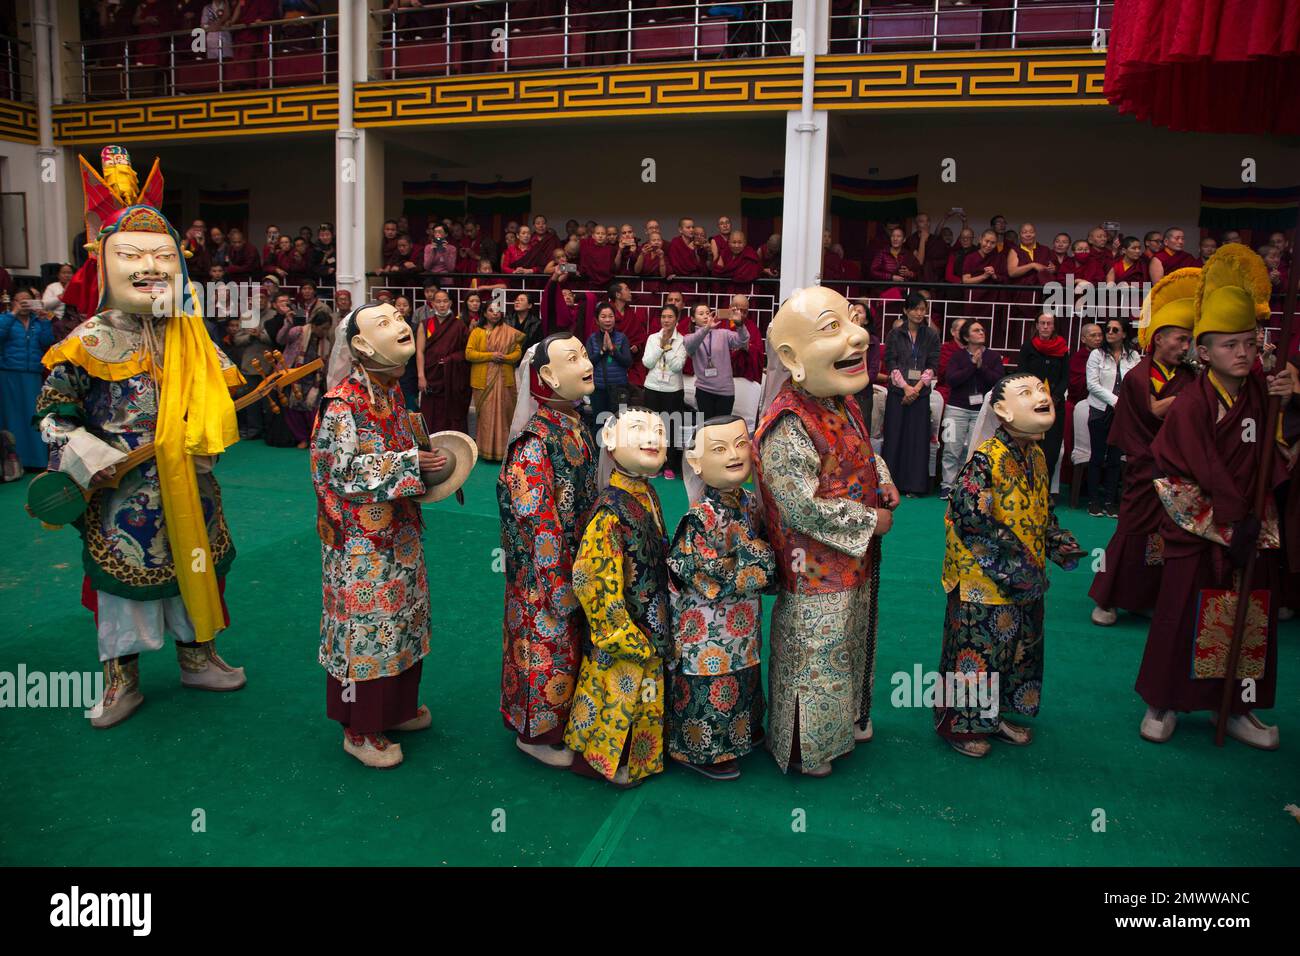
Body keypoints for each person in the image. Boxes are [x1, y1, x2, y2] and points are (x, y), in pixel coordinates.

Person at [35, 186, 247, 729]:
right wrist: (88, 455)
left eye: (164, 256)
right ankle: (120, 680)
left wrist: (206, 438)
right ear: (102, 264)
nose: (151, 268)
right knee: (122, 590)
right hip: (120, 494)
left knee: (197, 572)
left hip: (191, 487)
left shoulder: (196, 337)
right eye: (131, 255)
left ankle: (197, 657)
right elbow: (53, 418)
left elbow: (224, 403)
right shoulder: (87, 341)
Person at [1135, 245, 1299, 749]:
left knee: (1249, 614)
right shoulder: (1192, 404)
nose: (1244, 353)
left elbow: (1277, 456)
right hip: (1201, 526)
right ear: (1203, 353)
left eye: (1250, 343)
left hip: (1251, 526)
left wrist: (1290, 400)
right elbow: (1195, 467)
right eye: (1230, 345)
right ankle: (1163, 701)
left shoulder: (1262, 394)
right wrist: (1233, 517)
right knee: (1181, 612)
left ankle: (1237, 705)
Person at [754, 287, 899, 776]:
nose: (858, 336)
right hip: (812, 566)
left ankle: (843, 725)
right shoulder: (787, 422)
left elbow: (863, 451)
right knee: (815, 653)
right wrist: (868, 520)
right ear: (792, 358)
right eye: (832, 328)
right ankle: (803, 747)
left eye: (852, 321)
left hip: (853, 560)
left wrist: (883, 480)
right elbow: (797, 505)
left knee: (849, 644)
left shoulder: (842, 402)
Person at [312, 302, 452, 768]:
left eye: (399, 317)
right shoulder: (342, 404)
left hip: (400, 533)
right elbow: (340, 472)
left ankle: (395, 709)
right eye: (385, 322)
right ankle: (360, 728)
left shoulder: (391, 394)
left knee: (403, 622)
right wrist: (411, 464)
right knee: (367, 632)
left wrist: (430, 460)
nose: (401, 325)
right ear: (360, 346)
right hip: (360, 547)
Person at [936, 373, 1083, 757]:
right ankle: (961, 726)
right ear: (1001, 410)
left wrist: (1057, 543)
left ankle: (994, 715)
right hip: (982, 579)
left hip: (1024, 575)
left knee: (1013, 650)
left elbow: (1040, 511)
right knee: (979, 651)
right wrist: (1017, 568)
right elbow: (970, 521)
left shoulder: (1035, 454)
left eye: (1042, 391)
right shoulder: (985, 460)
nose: (1041, 397)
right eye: (1026, 393)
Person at [499, 333, 599, 768]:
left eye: (584, 354)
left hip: (574, 564)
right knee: (544, 646)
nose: (586, 362)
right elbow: (539, 524)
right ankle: (534, 735)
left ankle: (562, 723)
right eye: (572, 358)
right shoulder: (534, 442)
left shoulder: (574, 426)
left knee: (568, 648)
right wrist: (560, 583)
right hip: (544, 575)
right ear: (547, 377)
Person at [565, 406, 670, 786]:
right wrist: (619, 632)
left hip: (650, 615)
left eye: (659, 431)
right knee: (618, 696)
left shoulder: (647, 493)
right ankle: (607, 760)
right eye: (639, 429)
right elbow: (591, 577)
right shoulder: (609, 510)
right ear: (609, 440)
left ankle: (642, 755)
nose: (652, 438)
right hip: (624, 630)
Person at [667, 416, 776, 780]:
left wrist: (759, 560)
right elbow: (695, 568)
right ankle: (699, 748)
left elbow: (764, 551)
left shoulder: (748, 502)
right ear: (696, 463)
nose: (733, 454)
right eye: (719, 448)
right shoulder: (699, 517)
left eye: (740, 444)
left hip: (742, 616)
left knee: (744, 671)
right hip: (707, 623)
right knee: (709, 679)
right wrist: (757, 562)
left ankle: (741, 734)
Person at [1089, 268, 1197, 626]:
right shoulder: (1140, 375)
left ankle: (1143, 597)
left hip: (1179, 465)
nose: (1185, 347)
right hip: (1144, 463)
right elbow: (1152, 410)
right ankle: (1105, 598)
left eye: (1189, 341)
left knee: (1165, 535)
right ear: (1161, 338)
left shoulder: (1187, 375)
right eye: (1180, 340)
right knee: (1132, 531)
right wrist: (1193, 395)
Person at [882, 291, 940, 496]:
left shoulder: (931, 335)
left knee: (917, 440)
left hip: (921, 394)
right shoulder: (895, 334)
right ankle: (891, 484)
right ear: (906, 310)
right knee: (895, 437)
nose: (919, 313)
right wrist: (905, 387)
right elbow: (891, 362)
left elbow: (933, 363)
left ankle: (915, 486)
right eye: (915, 309)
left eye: (922, 309)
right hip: (898, 393)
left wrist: (916, 389)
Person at [938, 319, 1003, 498]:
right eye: (976, 330)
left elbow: (997, 381)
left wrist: (981, 367)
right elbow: (951, 380)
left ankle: (968, 486)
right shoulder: (958, 357)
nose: (981, 332)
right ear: (966, 336)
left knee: (974, 450)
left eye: (982, 329)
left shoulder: (993, 357)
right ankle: (947, 485)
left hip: (981, 411)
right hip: (956, 408)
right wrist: (971, 365)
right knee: (952, 447)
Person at [1085, 318, 1142, 517]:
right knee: (1098, 457)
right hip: (1100, 411)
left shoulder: (1133, 356)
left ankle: (1110, 501)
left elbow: (1138, 383)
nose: (1109, 332)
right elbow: (1092, 385)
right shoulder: (1096, 354)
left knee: (1115, 459)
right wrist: (1116, 401)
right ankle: (1094, 501)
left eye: (1114, 329)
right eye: (1107, 329)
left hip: (1123, 414)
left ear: (1124, 334)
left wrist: (1123, 404)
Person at [0, 291, 55, 469]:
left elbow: (47, 341)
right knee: (12, 416)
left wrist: (45, 320)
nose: (24, 304)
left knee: (34, 416)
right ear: (14, 302)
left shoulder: (37, 322)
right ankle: (15, 461)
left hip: (33, 373)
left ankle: (38, 461)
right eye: (20, 301)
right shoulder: (6, 318)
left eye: (27, 301)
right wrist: (13, 313)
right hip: (10, 372)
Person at [1016, 311, 1071, 484]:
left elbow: (1065, 377)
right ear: (1037, 325)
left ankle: (1044, 490)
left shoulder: (1062, 348)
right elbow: (1021, 375)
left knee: (1051, 451)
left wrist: (1054, 398)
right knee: (1029, 448)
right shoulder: (1028, 347)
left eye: (1049, 323)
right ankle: (1026, 487)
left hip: (1054, 405)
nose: (1046, 327)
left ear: (1054, 326)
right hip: (1031, 406)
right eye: (1043, 323)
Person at [466, 302, 524, 461]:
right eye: (491, 310)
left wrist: (504, 358)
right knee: (486, 416)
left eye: (498, 311)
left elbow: (518, 354)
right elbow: (469, 354)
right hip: (483, 381)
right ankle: (485, 451)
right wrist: (490, 356)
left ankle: (504, 451)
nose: (495, 313)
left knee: (505, 414)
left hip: (504, 379)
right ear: (485, 313)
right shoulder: (477, 332)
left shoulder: (509, 332)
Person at [642, 303, 688, 479]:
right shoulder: (653, 338)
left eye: (670, 317)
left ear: (676, 319)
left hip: (673, 390)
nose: (666, 320)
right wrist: (660, 346)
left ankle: (670, 464)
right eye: (663, 317)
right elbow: (647, 363)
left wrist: (667, 347)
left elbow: (677, 366)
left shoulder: (682, 340)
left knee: (671, 427)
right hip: (653, 387)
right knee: (653, 428)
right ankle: (653, 463)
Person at [415, 288, 471, 434]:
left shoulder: (459, 325)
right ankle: (430, 446)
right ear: (432, 304)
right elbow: (420, 351)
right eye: (438, 301)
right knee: (430, 413)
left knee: (450, 414)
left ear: (451, 303)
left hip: (452, 378)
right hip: (431, 376)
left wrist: (450, 360)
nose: (442, 305)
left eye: (445, 301)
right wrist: (421, 376)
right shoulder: (425, 324)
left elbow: (466, 352)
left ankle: (454, 445)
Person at [684, 303, 750, 419]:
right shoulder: (689, 337)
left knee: (722, 429)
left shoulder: (723, 333)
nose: (705, 316)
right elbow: (691, 345)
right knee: (707, 429)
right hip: (704, 391)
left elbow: (743, 340)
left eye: (708, 313)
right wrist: (706, 329)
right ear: (693, 319)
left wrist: (739, 324)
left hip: (725, 391)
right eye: (701, 314)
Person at [583, 303, 632, 427]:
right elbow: (588, 363)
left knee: (619, 425)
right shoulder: (592, 339)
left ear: (615, 319)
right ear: (597, 320)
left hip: (619, 389)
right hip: (598, 389)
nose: (608, 320)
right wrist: (603, 350)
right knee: (600, 424)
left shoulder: (622, 338)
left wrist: (613, 350)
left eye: (611, 316)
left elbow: (627, 362)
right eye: (603, 316)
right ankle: (598, 447)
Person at [870, 226, 923, 300]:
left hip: (904, 293)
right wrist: (891, 277)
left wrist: (909, 273)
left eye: (898, 236)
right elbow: (873, 272)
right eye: (893, 236)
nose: (895, 239)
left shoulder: (908, 255)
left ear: (904, 239)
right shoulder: (883, 253)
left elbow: (918, 273)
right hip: (885, 292)